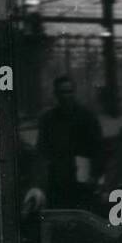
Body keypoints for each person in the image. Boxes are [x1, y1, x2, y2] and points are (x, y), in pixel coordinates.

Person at [23, 75, 105, 213]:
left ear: (74, 92)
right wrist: (39, 181)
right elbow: (42, 150)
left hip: (82, 178)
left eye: (69, 91)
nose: (66, 96)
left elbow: (97, 149)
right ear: (56, 94)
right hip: (57, 179)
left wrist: (95, 175)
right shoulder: (48, 119)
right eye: (62, 92)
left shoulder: (87, 117)